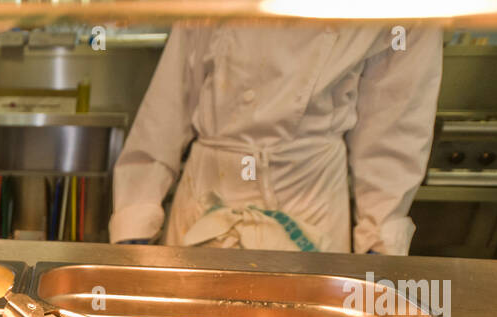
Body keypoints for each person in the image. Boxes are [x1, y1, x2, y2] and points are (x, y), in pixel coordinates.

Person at [110, 23, 442, 254]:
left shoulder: (403, 8)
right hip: (206, 200)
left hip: (310, 202)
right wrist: (135, 215)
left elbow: (393, 125)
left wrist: (380, 237)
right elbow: (171, 100)